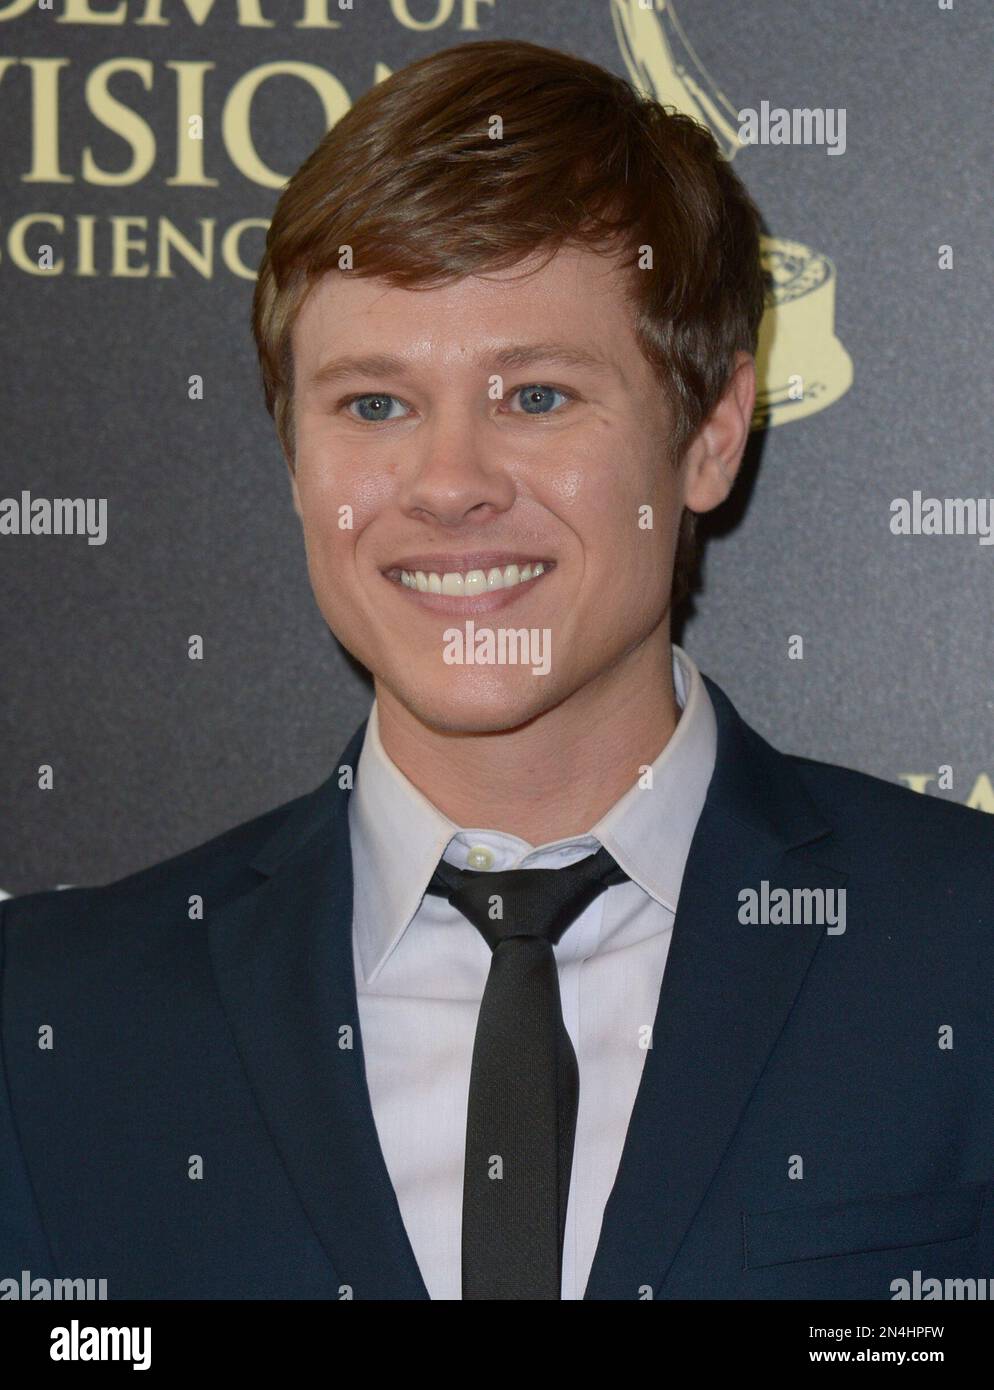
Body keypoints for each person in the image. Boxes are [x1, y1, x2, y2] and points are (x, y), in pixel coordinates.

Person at [2, 38, 992, 1303]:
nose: (449, 482)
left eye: (533, 395)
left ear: (709, 435)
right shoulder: (54, 1024)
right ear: (293, 457)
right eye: (372, 405)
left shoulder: (964, 951)